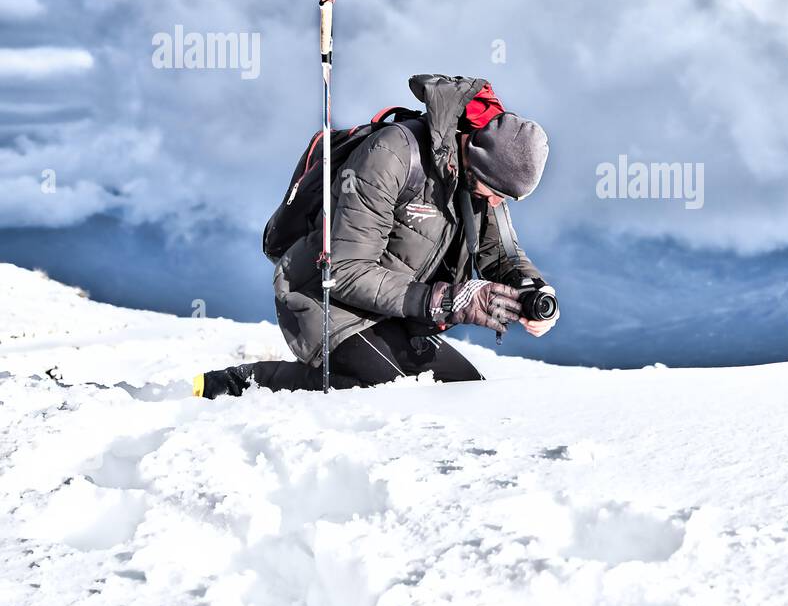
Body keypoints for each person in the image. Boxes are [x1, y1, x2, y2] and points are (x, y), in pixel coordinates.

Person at [195, 74, 556, 397]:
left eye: (507, 198)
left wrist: (532, 289)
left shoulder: (478, 182)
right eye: (495, 190)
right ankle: (232, 387)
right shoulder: (393, 153)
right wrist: (448, 300)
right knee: (394, 395)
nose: (496, 201)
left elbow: (500, 256)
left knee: (466, 395)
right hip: (328, 304)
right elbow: (346, 270)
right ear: (474, 154)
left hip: (396, 315)